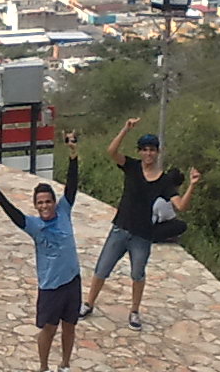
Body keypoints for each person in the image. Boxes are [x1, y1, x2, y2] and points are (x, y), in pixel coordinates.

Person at [80, 119, 202, 330]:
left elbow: (180, 206)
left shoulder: (164, 181)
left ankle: (134, 311)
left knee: (138, 274)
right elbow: (111, 151)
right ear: (139, 152)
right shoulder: (132, 167)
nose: (148, 154)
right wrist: (125, 129)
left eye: (152, 150)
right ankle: (88, 303)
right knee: (102, 268)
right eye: (144, 150)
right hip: (121, 228)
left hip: (142, 235)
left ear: (157, 152)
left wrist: (192, 185)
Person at [0, 131, 82, 372]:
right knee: (49, 329)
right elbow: (10, 211)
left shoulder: (64, 211)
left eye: (48, 201)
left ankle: (64, 365)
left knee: (70, 327)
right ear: (35, 205)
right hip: (50, 285)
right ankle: (42, 368)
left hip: (72, 280)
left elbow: (72, 184)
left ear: (54, 201)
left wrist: (73, 153)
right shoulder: (33, 225)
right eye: (40, 202)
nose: (45, 206)